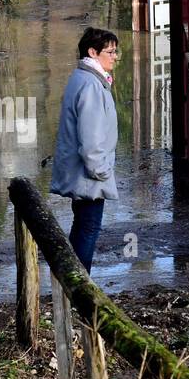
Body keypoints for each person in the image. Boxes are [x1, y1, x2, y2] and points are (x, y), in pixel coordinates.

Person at [50, 27, 119, 272]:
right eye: (110, 52)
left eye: (115, 51)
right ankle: (79, 285)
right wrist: (101, 172)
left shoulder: (83, 78)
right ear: (93, 52)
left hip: (84, 175)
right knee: (88, 229)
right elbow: (90, 139)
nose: (115, 56)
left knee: (82, 226)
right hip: (88, 177)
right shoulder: (91, 85)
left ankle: (70, 283)